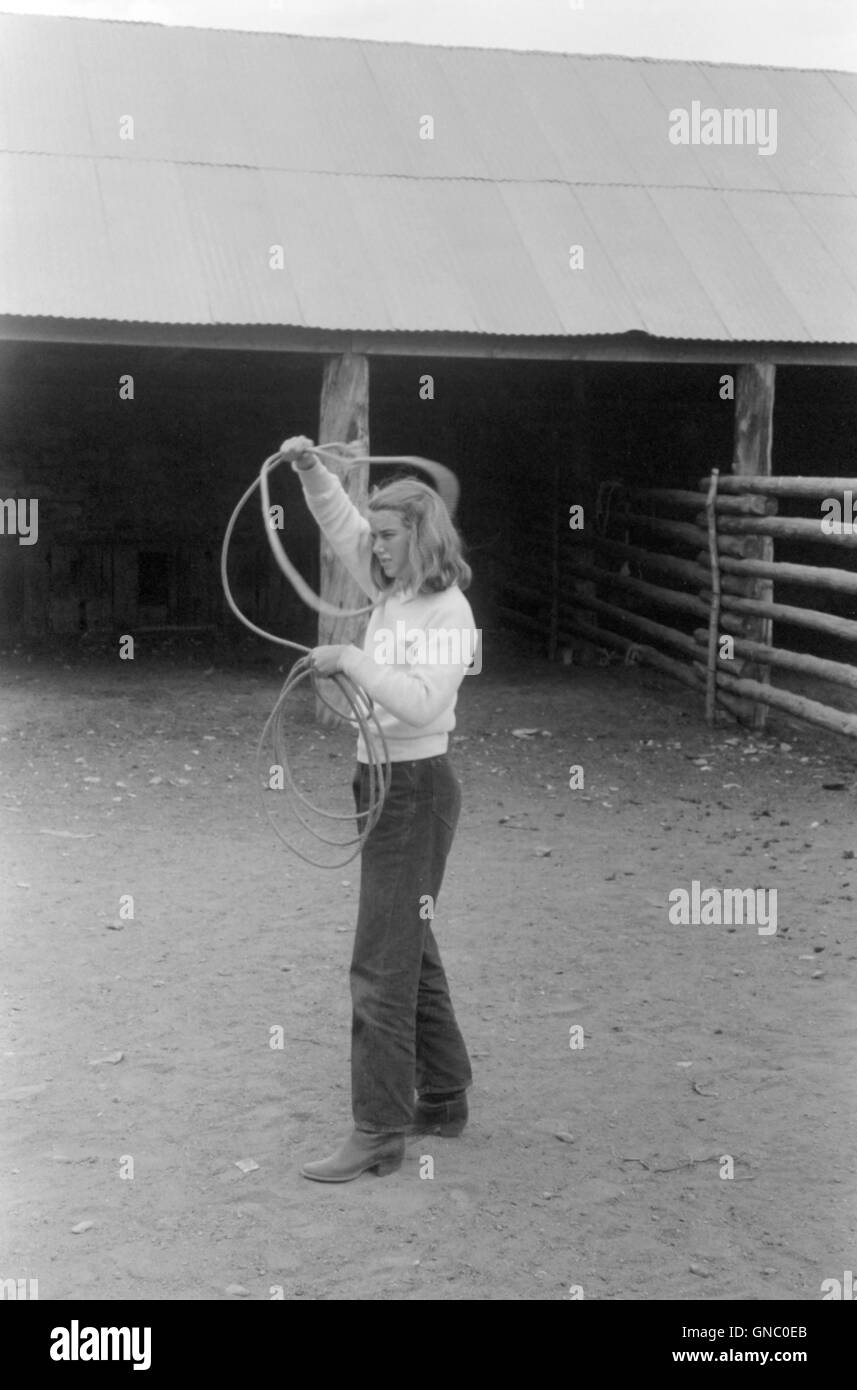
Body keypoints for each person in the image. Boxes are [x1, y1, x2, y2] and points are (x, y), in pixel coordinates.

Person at [279, 435, 475, 1183]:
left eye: (388, 537)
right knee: (410, 946)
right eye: (377, 538)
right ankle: (445, 1098)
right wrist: (309, 468)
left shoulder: (447, 613)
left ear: (419, 538)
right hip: (384, 784)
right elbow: (342, 526)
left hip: (415, 790)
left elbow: (425, 701)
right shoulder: (395, 589)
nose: (375, 548)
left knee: (377, 966)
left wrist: (349, 658)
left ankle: (378, 1131)